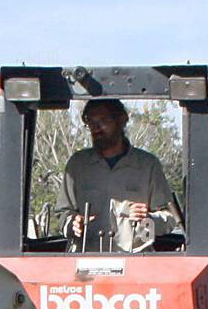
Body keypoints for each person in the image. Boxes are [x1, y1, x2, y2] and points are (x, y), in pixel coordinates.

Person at [55, 99, 181, 250]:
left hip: (135, 264)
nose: (96, 128)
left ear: (121, 120)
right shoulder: (77, 165)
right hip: (85, 264)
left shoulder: (148, 165)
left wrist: (148, 220)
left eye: (102, 120)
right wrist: (73, 223)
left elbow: (170, 218)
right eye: (91, 122)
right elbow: (62, 213)